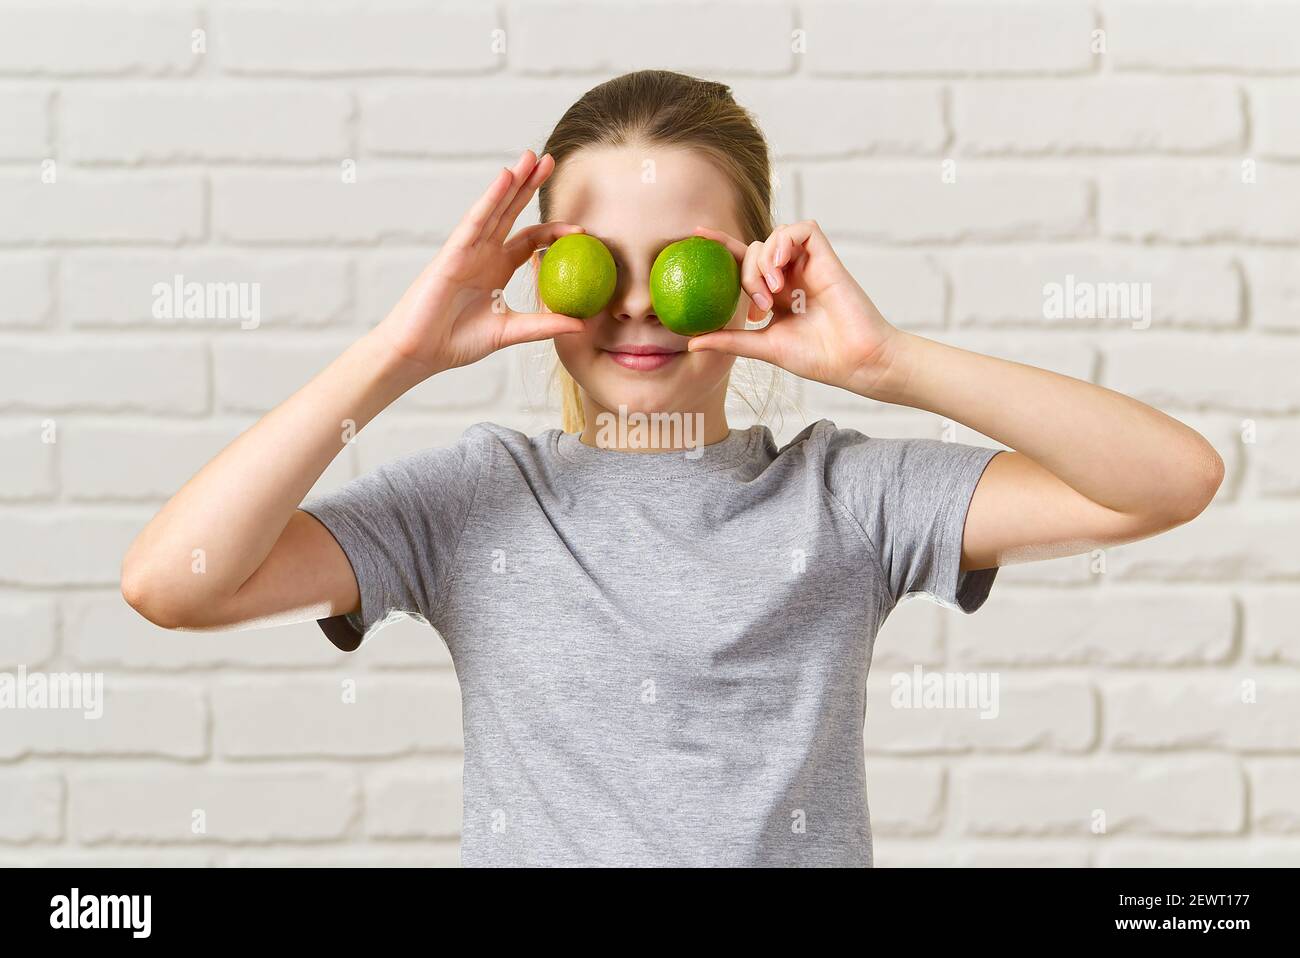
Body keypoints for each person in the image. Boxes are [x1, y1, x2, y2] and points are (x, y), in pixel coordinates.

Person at [121, 70, 1224, 866]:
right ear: (542, 275)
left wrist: (888, 363)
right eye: (597, 265)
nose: (640, 302)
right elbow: (174, 582)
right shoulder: (471, 502)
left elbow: (1168, 480)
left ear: (755, 273)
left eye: (683, 260)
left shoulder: (848, 500)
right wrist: (394, 356)